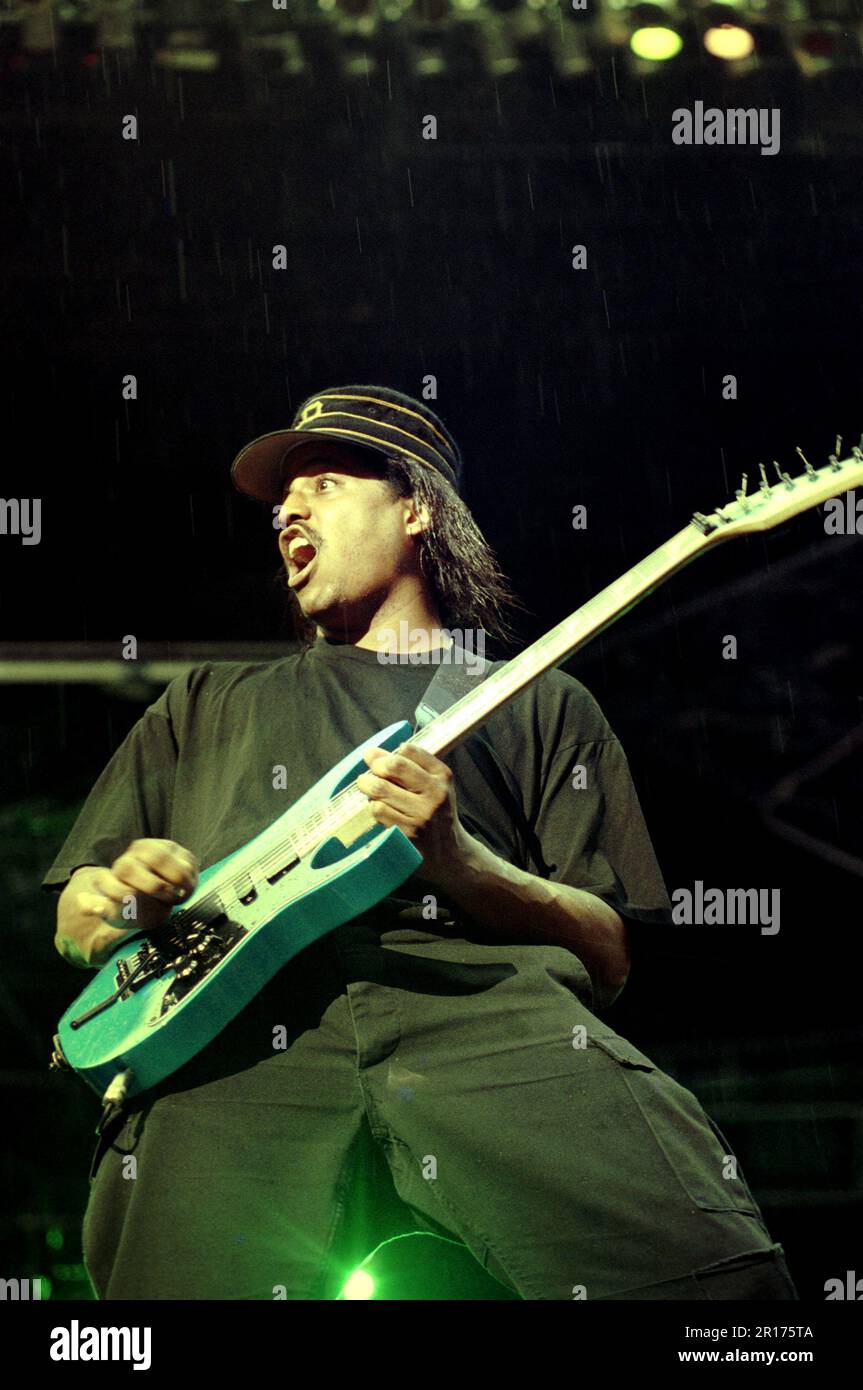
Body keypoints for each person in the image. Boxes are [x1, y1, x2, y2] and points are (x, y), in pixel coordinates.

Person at [43, 384, 799, 1301]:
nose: (287, 511)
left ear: (416, 508)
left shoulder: (543, 702)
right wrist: (126, 898)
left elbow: (608, 952)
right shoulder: (204, 702)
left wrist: (459, 863)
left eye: (321, 484)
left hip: (482, 1010)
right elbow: (78, 922)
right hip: (232, 1037)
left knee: (719, 1290)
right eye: (283, 502)